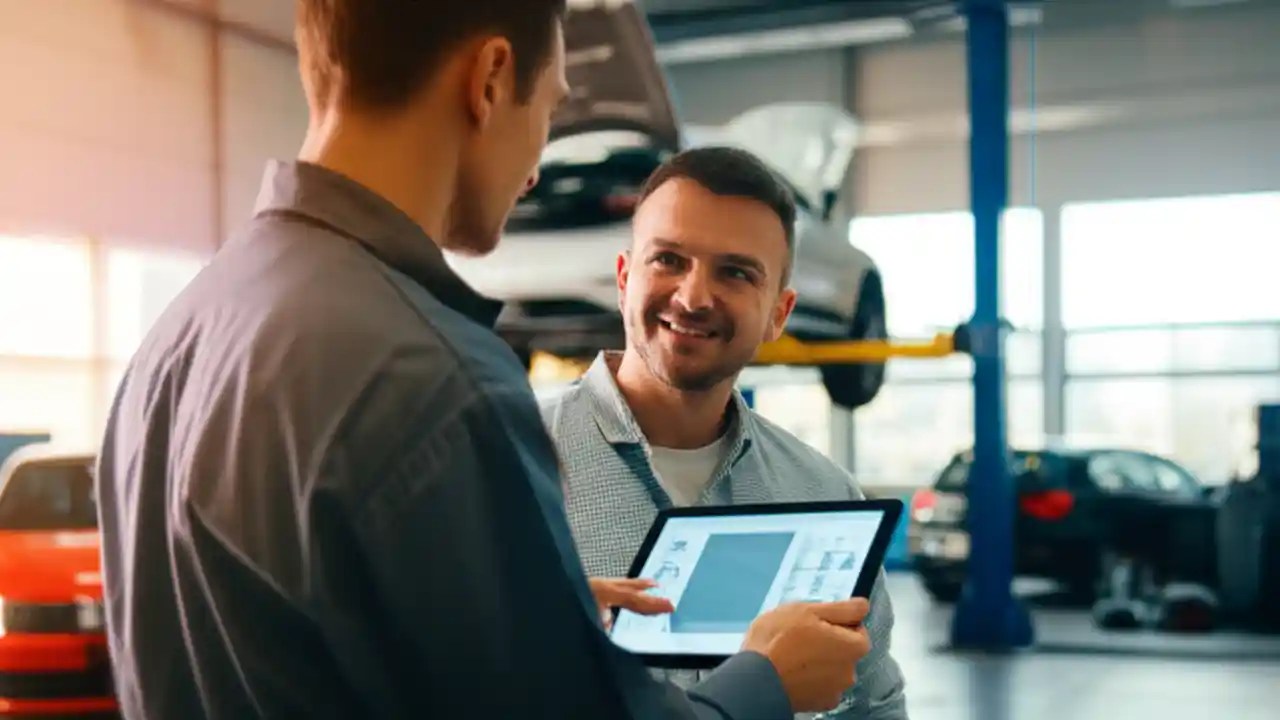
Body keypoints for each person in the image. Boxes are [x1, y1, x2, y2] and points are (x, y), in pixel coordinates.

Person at [93, 2, 875, 718]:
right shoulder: (433, 377)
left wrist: (539, 627)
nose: (536, 164)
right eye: (552, 107)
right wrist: (763, 683)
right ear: (492, 77)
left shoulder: (182, 334)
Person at [541, 147, 910, 719]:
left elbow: (871, 705)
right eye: (668, 260)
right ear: (623, 277)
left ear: (778, 314)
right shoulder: (503, 460)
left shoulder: (822, 494)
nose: (692, 297)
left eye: (735, 272)